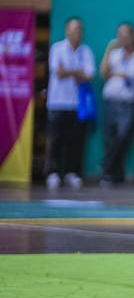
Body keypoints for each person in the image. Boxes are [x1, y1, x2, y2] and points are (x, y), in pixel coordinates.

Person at [46, 17, 96, 189]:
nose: (77, 33)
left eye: (79, 30)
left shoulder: (86, 51)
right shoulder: (57, 48)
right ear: (67, 31)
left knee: (75, 140)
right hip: (57, 103)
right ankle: (53, 172)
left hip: (78, 105)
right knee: (56, 139)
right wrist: (78, 72)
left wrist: (69, 71)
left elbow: (89, 75)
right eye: (74, 30)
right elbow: (58, 72)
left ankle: (72, 172)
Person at [99, 22, 134, 185]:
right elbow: (104, 73)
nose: (123, 38)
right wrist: (109, 49)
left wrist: (117, 73)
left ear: (133, 36)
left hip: (128, 103)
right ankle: (115, 174)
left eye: (126, 34)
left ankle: (106, 169)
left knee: (122, 138)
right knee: (109, 138)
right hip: (110, 100)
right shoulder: (114, 54)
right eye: (119, 35)